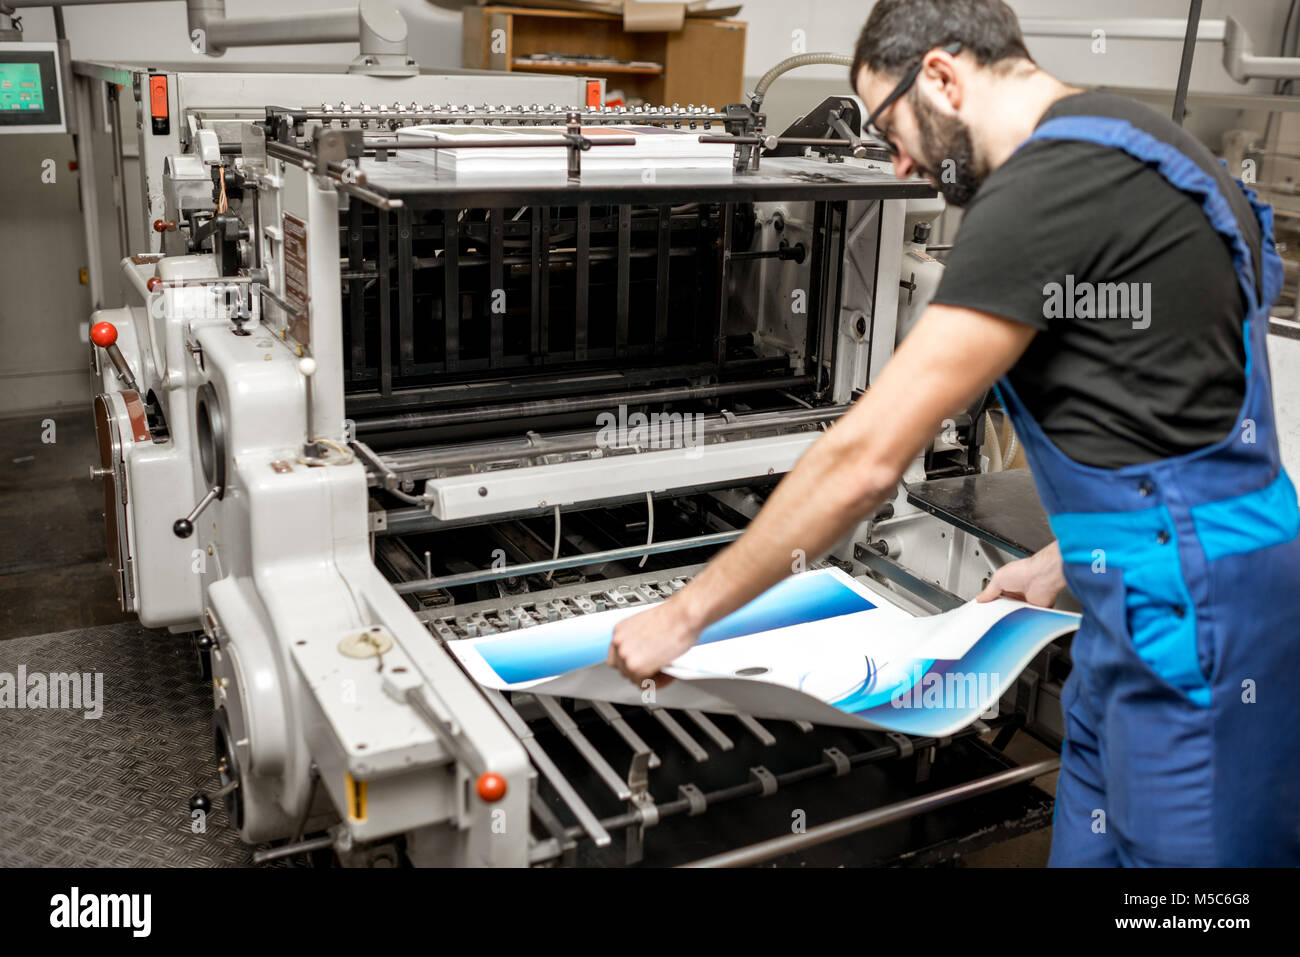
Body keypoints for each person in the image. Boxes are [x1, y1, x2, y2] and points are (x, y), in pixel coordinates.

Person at [605, 0, 1300, 866]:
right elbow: (1175, 406)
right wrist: (1063, 559)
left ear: (940, 74)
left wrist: (683, 616)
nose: (897, 158)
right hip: (1148, 587)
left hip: (1199, 620)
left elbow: (863, 460)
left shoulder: (1044, 188)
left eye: (891, 125)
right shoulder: (1140, 142)